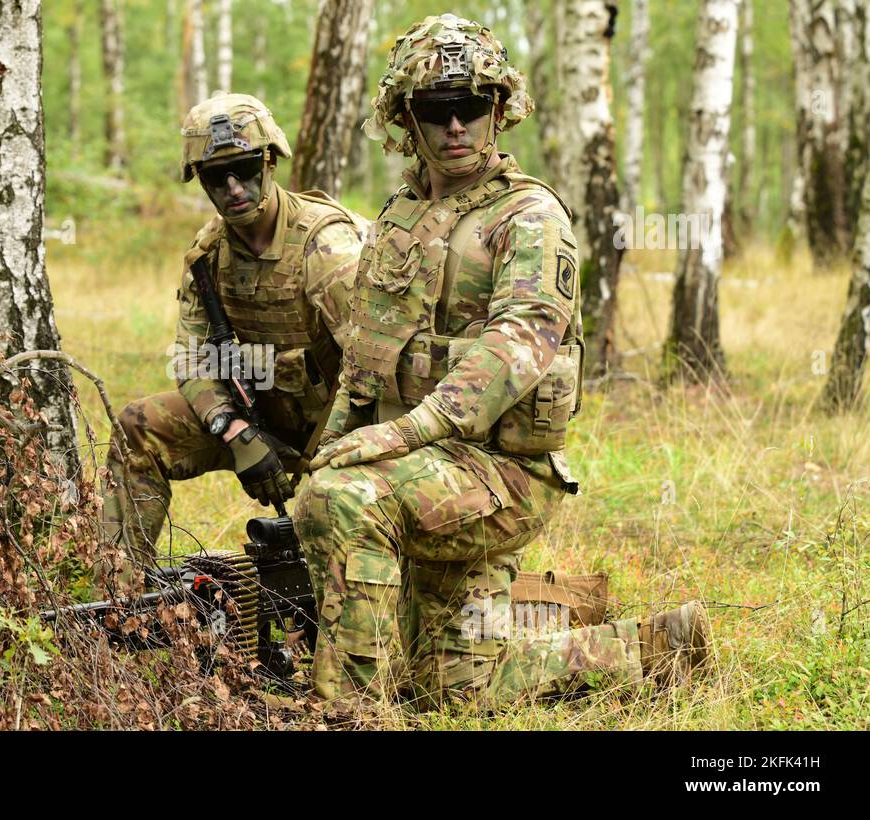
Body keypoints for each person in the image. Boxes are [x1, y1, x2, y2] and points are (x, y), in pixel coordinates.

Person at [294, 14, 711, 709]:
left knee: (343, 500)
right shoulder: (398, 217)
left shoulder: (529, 216)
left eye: (472, 107)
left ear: (499, 110)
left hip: (502, 474)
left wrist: (400, 435)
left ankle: (346, 713)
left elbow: (520, 341)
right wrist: (337, 440)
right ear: (408, 119)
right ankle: (660, 646)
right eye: (436, 110)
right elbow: (366, 355)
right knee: (454, 690)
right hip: (424, 469)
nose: (456, 127)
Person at [99, 93, 366, 585]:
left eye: (243, 169)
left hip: (348, 430)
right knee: (140, 425)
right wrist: (233, 430)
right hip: (262, 421)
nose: (233, 188)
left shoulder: (325, 247)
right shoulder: (208, 256)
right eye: (214, 177)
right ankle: (116, 602)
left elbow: (371, 368)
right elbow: (192, 360)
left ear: (269, 161)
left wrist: (327, 457)